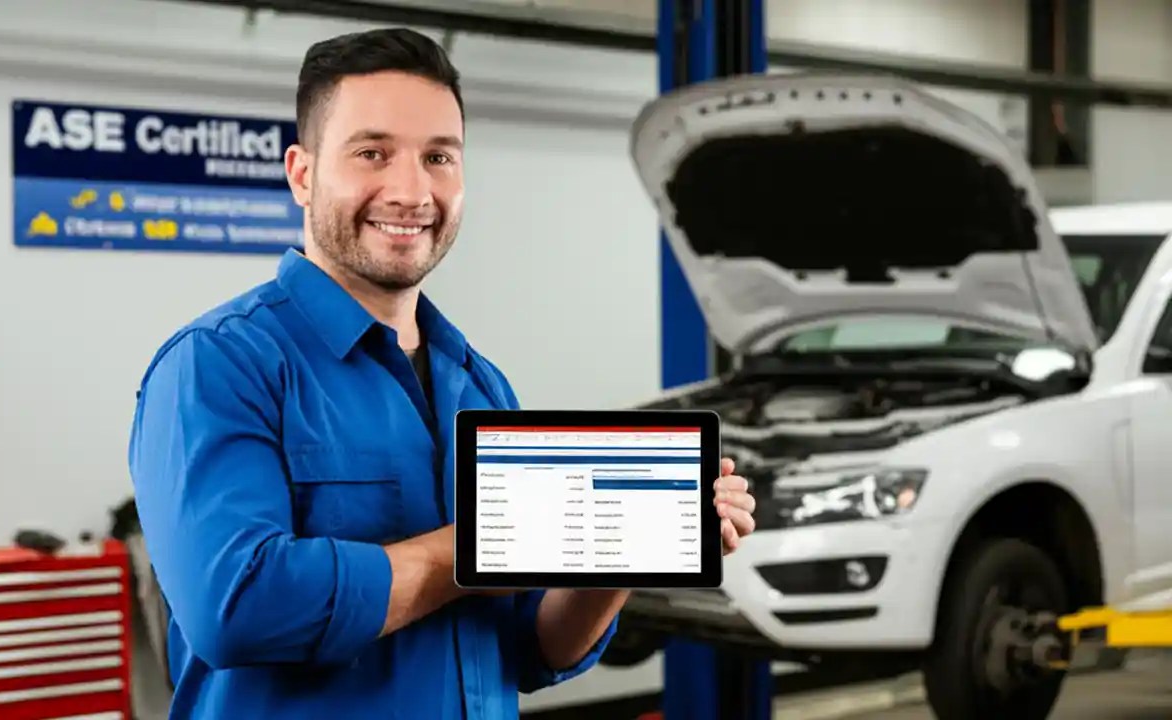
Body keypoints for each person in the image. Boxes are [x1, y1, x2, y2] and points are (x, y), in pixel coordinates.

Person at [127, 27, 757, 720]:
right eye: (373, 153)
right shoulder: (218, 365)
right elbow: (236, 608)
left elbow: (530, 650)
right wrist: (473, 550)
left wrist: (619, 548)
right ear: (302, 174)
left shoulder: (479, 384)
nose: (411, 189)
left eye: (439, 157)